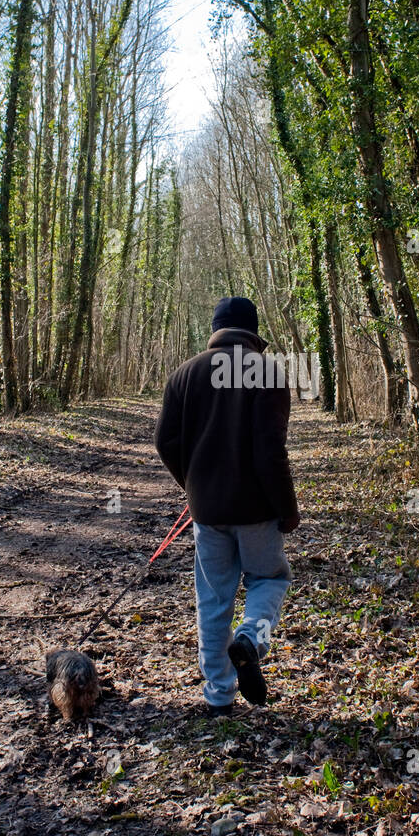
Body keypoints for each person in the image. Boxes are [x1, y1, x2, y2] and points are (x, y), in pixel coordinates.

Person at [155, 296, 300, 716]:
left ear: (215, 328)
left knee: (214, 599)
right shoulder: (268, 372)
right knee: (269, 579)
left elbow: (165, 442)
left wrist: (195, 485)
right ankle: (251, 640)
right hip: (257, 511)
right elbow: (270, 450)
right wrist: (286, 509)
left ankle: (219, 694)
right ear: (254, 332)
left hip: (209, 514)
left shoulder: (185, 374)